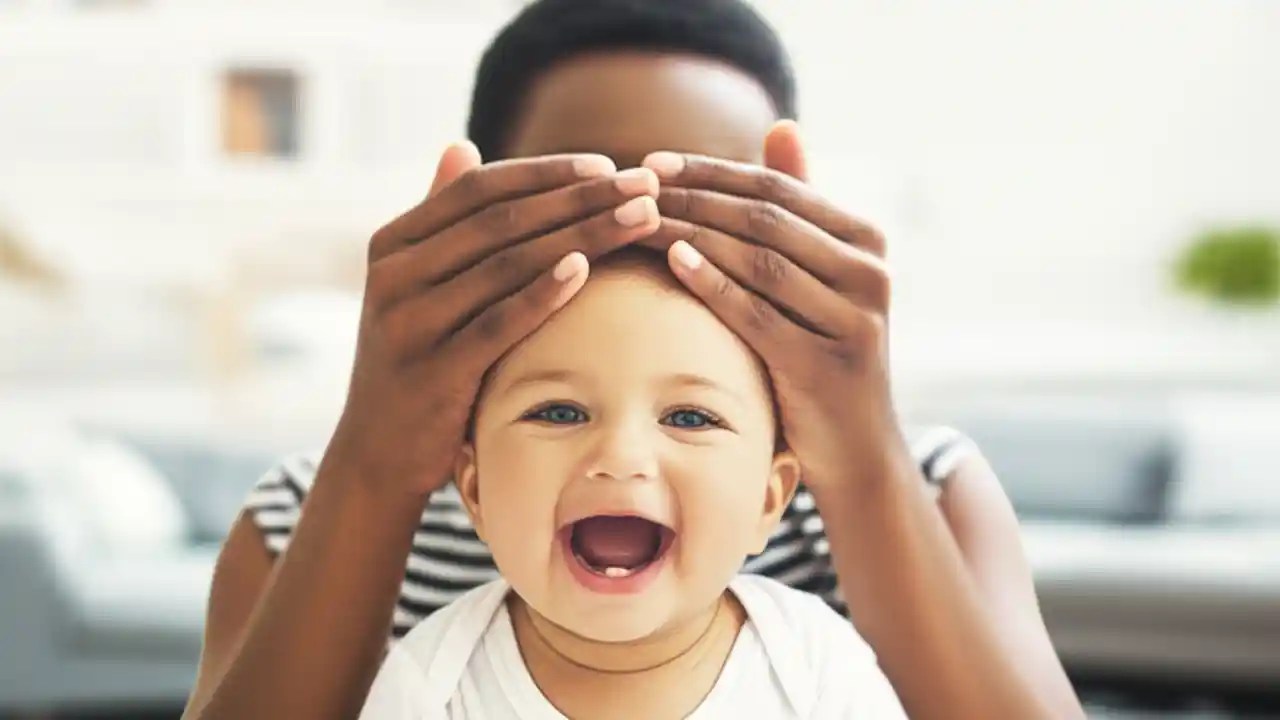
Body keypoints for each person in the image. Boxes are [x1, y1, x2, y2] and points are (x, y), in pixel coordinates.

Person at [184, 1, 1085, 718]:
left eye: (715, 210)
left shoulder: (928, 487)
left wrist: (860, 456)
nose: (647, 255)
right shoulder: (301, 516)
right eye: (590, 206)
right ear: (482, 224)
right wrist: (377, 462)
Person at [358, 248, 908, 717]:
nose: (621, 457)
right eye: (559, 412)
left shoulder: (813, 664)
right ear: (475, 492)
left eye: (690, 418)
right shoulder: (433, 683)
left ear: (769, 499)